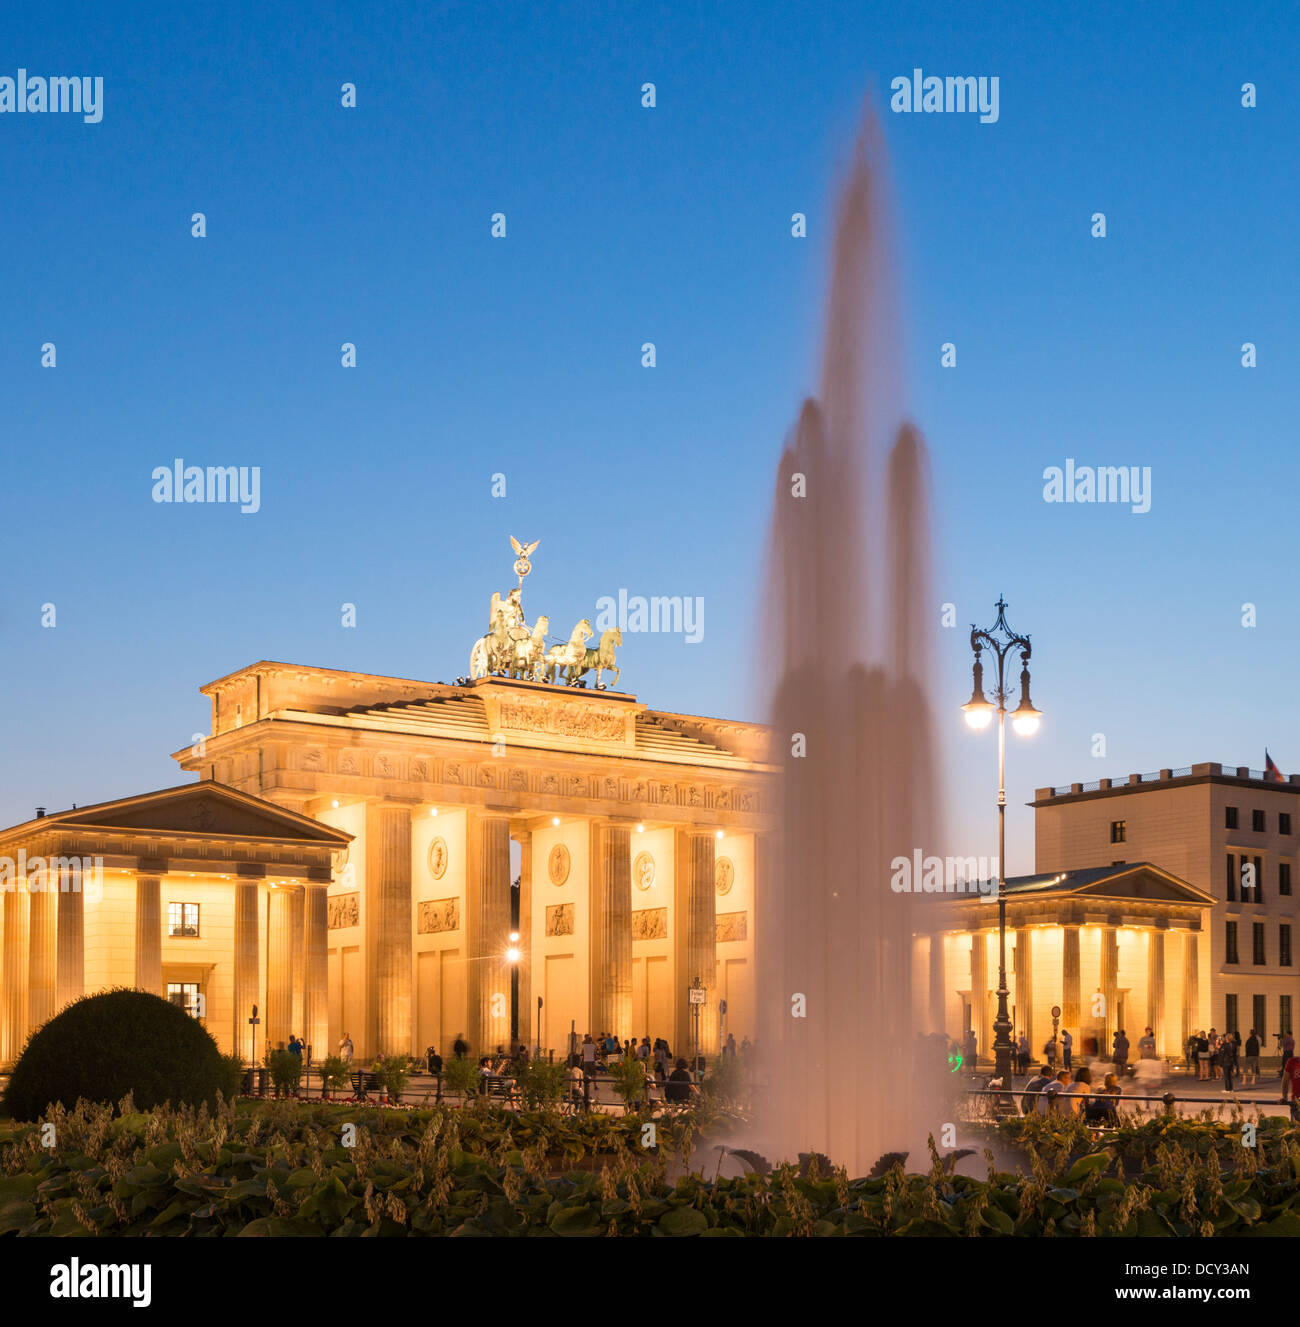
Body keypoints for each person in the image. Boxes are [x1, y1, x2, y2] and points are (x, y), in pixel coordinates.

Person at [1283, 1046, 1300, 1119]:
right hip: (1296, 1101)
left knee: (1295, 1127)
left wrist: (1284, 1097)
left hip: (1296, 1100)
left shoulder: (1292, 1062)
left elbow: (1285, 1081)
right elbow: (1285, 1081)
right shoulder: (1292, 1061)